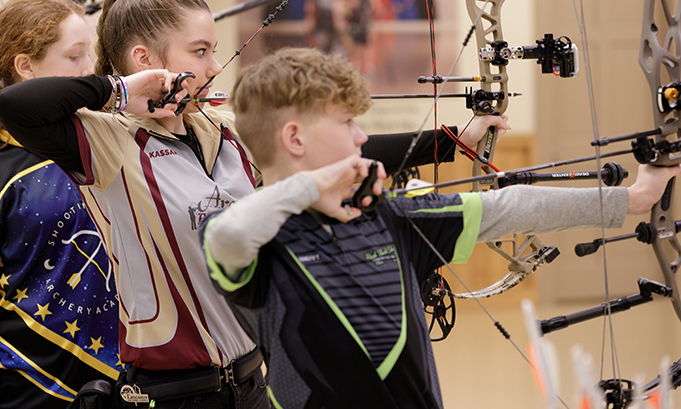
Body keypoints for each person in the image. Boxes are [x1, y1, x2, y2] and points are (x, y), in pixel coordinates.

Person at [0, 0, 505, 409]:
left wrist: (453, 139)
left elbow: (338, 154)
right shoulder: (108, 141)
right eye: (200, 51)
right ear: (146, 59)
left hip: (255, 384)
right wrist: (125, 89)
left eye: (213, 50)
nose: (215, 65)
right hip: (170, 395)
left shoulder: (226, 129)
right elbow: (16, 106)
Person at [199, 47, 681, 409]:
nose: (361, 136)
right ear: (294, 138)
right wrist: (314, 185)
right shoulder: (262, 243)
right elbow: (226, 236)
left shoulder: (390, 217)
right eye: (347, 123)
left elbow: (513, 206)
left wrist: (634, 199)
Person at [0, 0, 121, 409]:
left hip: (123, 386)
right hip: (33, 393)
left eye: (90, 54)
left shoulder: (104, 140)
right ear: (25, 66)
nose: (89, 69)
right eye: (75, 56)